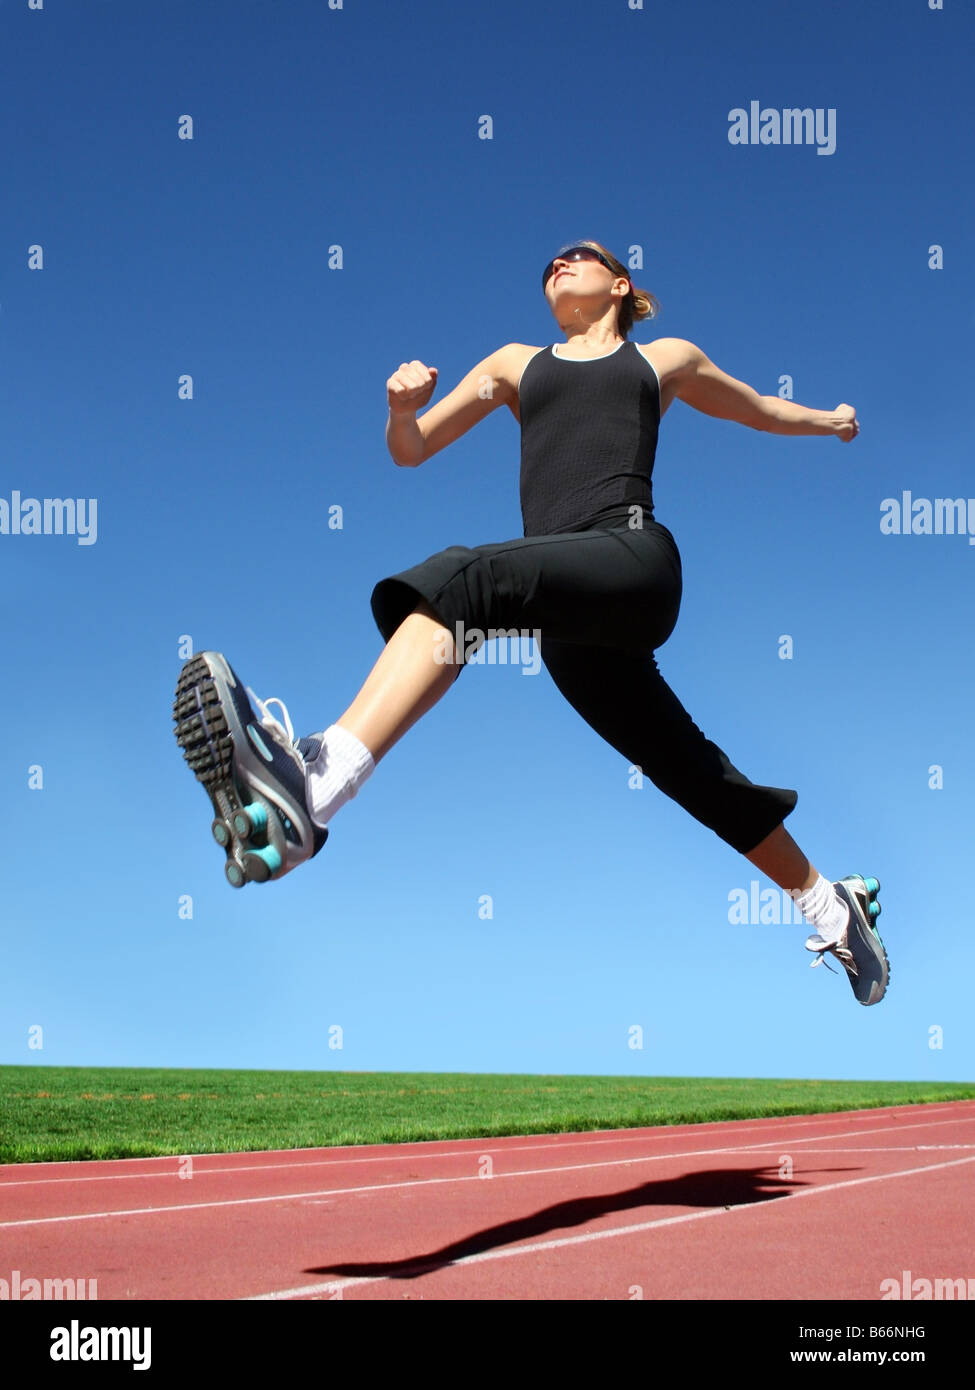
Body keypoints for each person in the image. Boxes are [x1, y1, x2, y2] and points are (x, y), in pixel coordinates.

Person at [173, 240, 888, 1006]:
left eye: (579, 256)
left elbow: (759, 409)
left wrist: (830, 419)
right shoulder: (516, 364)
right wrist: (399, 409)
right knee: (690, 771)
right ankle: (828, 906)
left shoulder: (664, 359)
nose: (558, 262)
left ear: (620, 284)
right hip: (567, 632)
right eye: (549, 259)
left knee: (470, 580)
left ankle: (317, 781)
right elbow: (410, 452)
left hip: (632, 563)